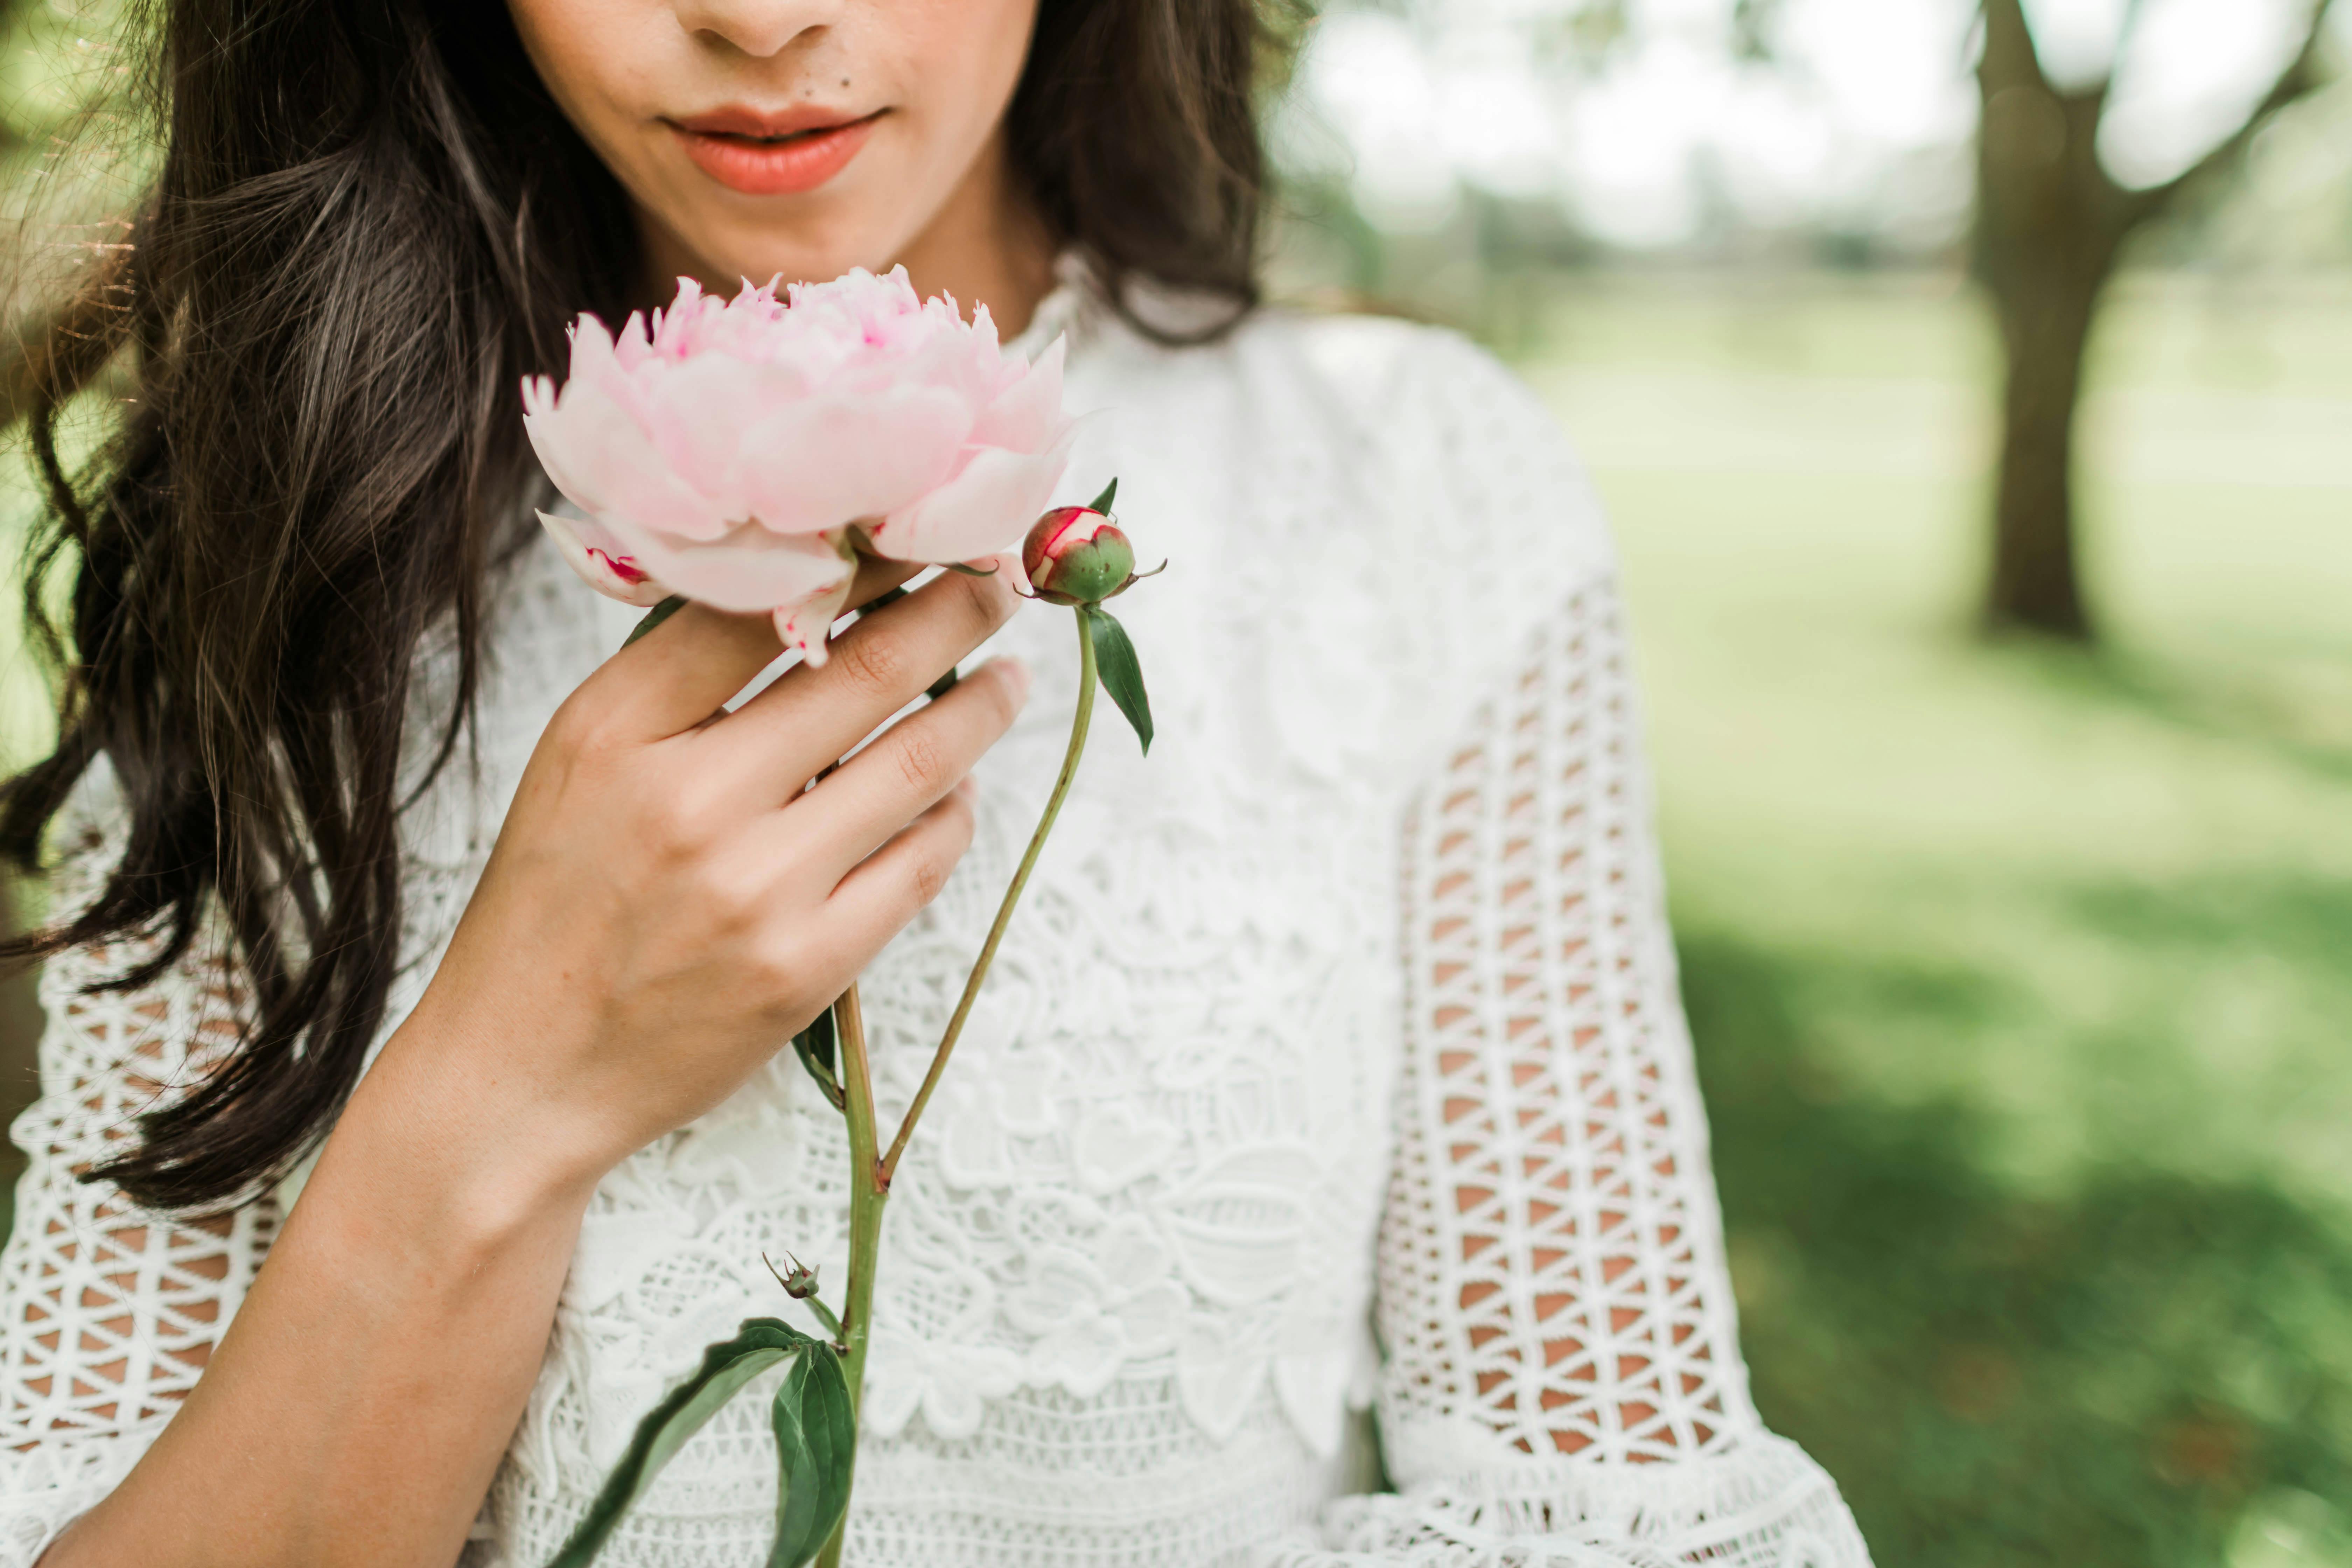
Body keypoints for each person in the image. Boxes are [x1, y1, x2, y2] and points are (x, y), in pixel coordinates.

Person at [0, 1, 1874, 1564]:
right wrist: (505, 1085)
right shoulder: (278, 570)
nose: (759, 17)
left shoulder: (1411, 496)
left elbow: (1607, 1513)